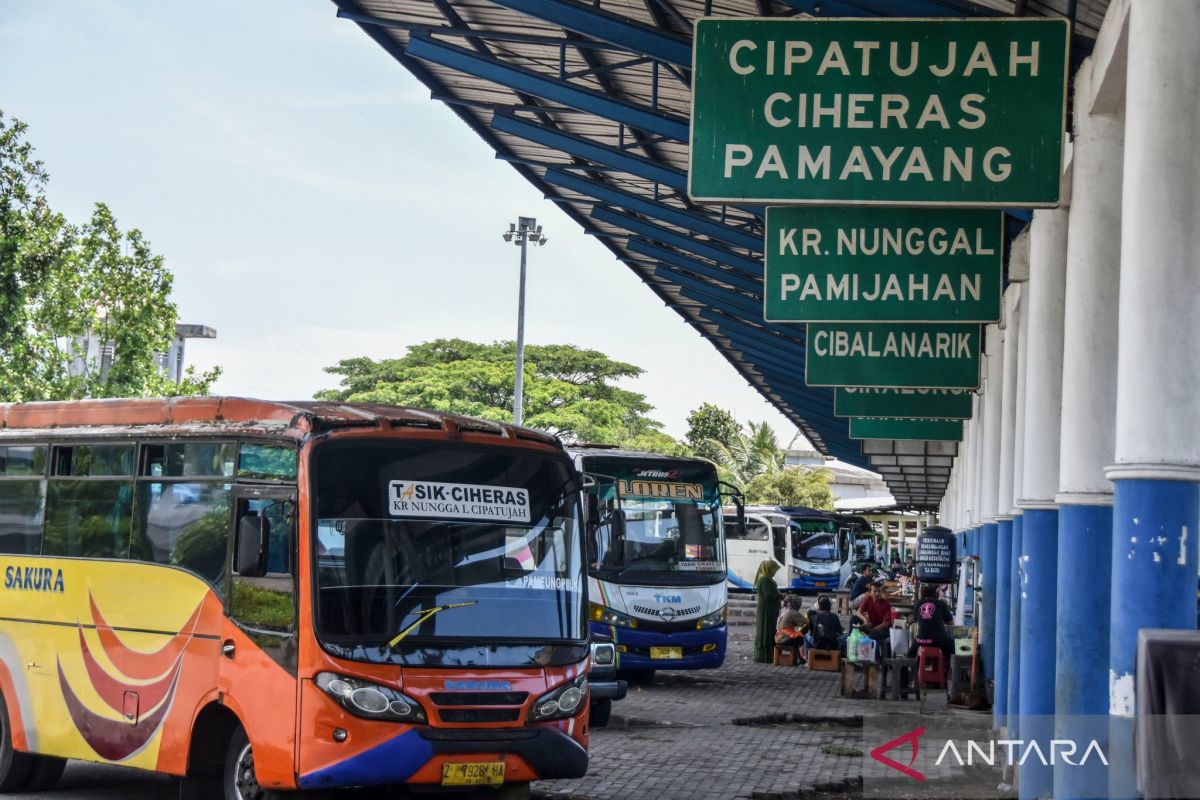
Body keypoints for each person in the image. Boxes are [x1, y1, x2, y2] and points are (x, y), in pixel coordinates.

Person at [908, 583, 955, 663]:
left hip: (921, 640)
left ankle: (905, 671)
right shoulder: (941, 603)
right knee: (953, 647)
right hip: (938, 640)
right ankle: (951, 670)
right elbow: (951, 622)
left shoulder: (918, 604)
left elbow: (916, 619)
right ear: (935, 594)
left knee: (910, 653)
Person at [753, 560, 782, 663]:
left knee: (770, 631)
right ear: (768, 569)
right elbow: (768, 596)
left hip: (770, 610)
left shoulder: (767, 578)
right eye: (773, 570)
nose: (774, 572)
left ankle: (770, 655)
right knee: (765, 631)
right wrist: (779, 595)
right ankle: (764, 656)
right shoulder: (764, 579)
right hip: (766, 610)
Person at [856, 581, 895, 654]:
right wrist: (865, 619)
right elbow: (858, 612)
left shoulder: (886, 604)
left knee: (872, 634)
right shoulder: (868, 600)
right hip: (872, 626)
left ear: (881, 592)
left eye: (879, 591)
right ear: (870, 592)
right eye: (874, 591)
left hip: (884, 630)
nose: (877, 593)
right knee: (853, 620)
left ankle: (875, 657)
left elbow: (885, 623)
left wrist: (872, 630)